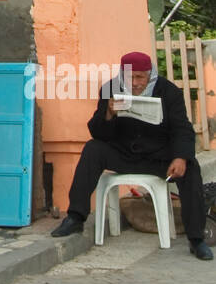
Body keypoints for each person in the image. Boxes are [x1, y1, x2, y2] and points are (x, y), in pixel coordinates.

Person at [51, 50, 213, 260]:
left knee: (190, 168)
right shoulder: (110, 89)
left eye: (140, 77)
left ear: (150, 75)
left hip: (158, 157)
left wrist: (180, 157)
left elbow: (182, 129)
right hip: (124, 154)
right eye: (129, 77)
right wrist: (108, 113)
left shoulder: (169, 92)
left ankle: (197, 238)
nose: (135, 83)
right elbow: (99, 134)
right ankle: (75, 217)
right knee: (93, 148)